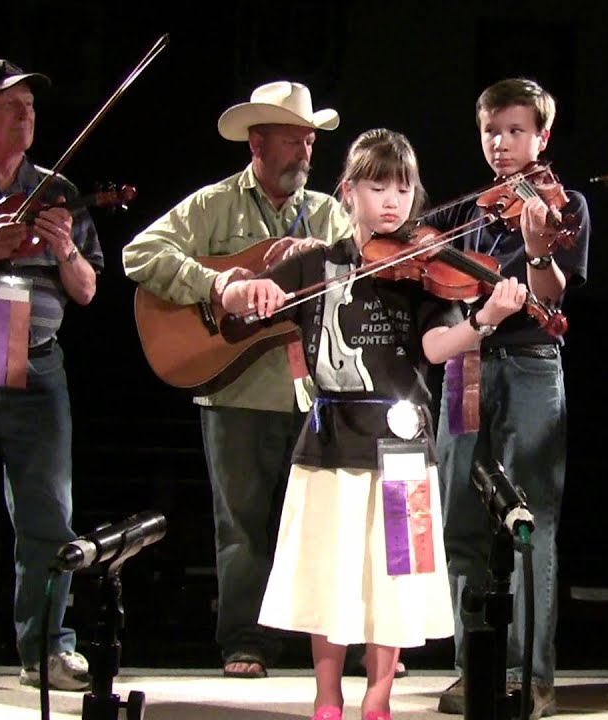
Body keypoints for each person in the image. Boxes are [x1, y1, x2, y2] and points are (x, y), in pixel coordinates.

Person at [219, 127, 526, 720]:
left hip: (403, 447)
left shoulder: (424, 269)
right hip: (329, 444)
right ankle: (327, 694)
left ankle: (378, 695)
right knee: (327, 576)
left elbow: (438, 347)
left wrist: (485, 318)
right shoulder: (314, 262)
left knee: (397, 578)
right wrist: (243, 288)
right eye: (377, 186)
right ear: (348, 192)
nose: (392, 200)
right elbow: (234, 305)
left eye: (404, 188)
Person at [122, 81, 355, 679]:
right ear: (257, 142)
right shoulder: (213, 205)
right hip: (235, 389)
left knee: (322, 522)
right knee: (243, 525)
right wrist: (219, 284)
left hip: (314, 391)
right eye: (292, 140)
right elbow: (139, 255)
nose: (306, 151)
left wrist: (332, 267)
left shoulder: (330, 213)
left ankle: (332, 645)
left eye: (310, 140)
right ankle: (245, 643)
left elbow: (357, 292)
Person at [430, 78, 590, 720]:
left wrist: (534, 248)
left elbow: (552, 295)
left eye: (516, 131)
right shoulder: (460, 214)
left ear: (542, 137)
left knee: (530, 519)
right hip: (466, 364)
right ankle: (475, 669)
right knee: (460, 522)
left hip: (529, 363)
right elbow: (431, 282)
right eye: (492, 131)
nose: (502, 144)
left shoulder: (564, 204)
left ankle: (532, 673)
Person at [0, 58, 102, 691]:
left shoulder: (57, 192)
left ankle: (47, 648)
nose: (26, 112)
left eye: (30, 104)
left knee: (49, 513)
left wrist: (62, 249)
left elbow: (87, 290)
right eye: (11, 103)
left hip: (36, 366)